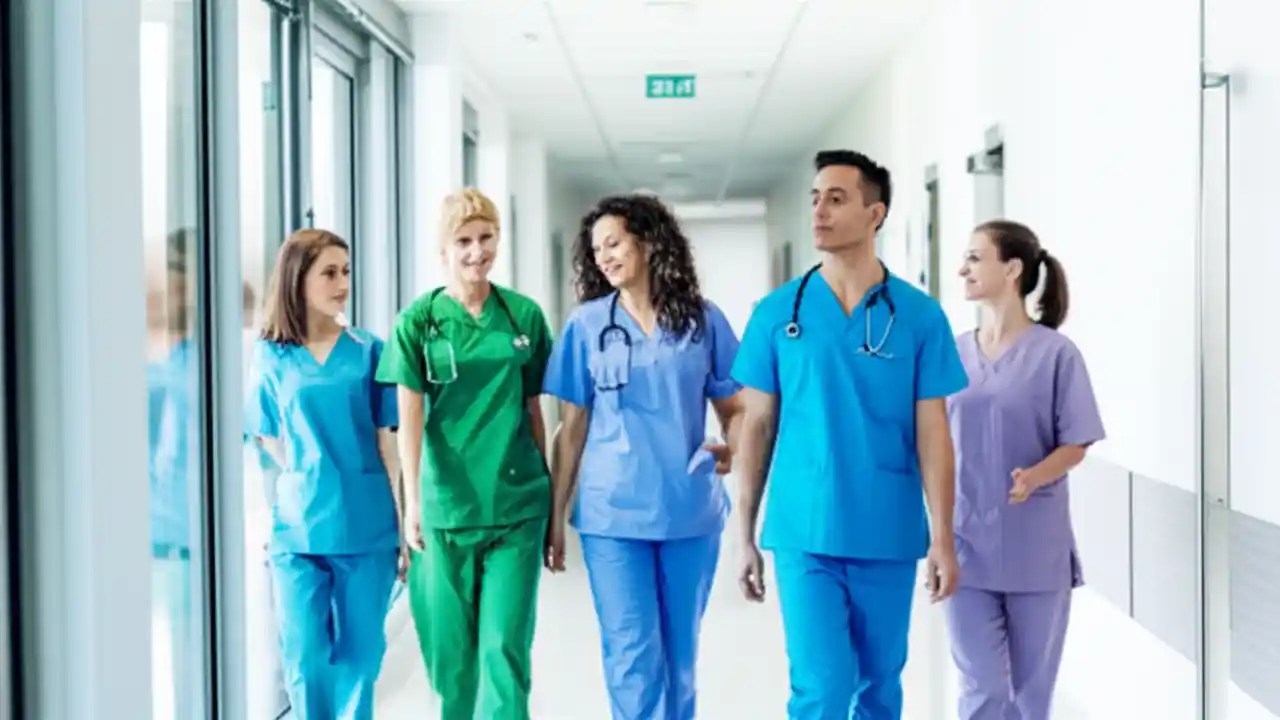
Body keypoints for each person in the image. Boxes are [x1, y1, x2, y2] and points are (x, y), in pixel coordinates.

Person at [731, 149, 969, 719]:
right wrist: (743, 532)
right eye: (815, 198)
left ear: (875, 213)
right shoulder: (776, 313)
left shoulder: (918, 316)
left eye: (836, 199)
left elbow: (933, 431)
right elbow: (756, 425)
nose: (819, 211)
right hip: (802, 527)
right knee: (822, 686)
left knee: (879, 687)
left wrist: (944, 537)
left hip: (885, 528)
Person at [542, 194, 744, 720]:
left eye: (614, 243)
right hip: (613, 516)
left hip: (689, 512)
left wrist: (735, 444)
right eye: (596, 249)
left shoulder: (703, 319)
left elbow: (735, 407)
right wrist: (555, 518)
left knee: (679, 659)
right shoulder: (587, 325)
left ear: (649, 242)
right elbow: (571, 429)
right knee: (632, 658)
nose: (604, 256)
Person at [376, 188, 554, 720]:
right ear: (443, 250)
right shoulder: (418, 323)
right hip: (444, 512)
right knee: (450, 666)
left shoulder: (522, 315)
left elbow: (533, 409)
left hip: (516, 507)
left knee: (504, 652)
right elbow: (408, 422)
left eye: (486, 238)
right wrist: (411, 507)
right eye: (464, 241)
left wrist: (550, 503)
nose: (477, 251)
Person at [945, 220, 1105, 719]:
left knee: (1030, 697)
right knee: (982, 688)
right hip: (965, 546)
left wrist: (1036, 475)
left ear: (1012, 269)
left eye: (975, 257)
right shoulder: (952, 351)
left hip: (1036, 549)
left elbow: (1076, 440)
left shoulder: (1057, 354)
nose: (962, 268)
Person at [244, 229, 402, 720]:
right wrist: (302, 465)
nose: (342, 283)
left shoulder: (368, 350)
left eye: (346, 272)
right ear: (298, 279)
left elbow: (388, 445)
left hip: (366, 526)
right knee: (305, 658)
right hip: (298, 530)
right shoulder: (272, 353)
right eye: (329, 273)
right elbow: (264, 431)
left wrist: (404, 521)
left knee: (361, 658)